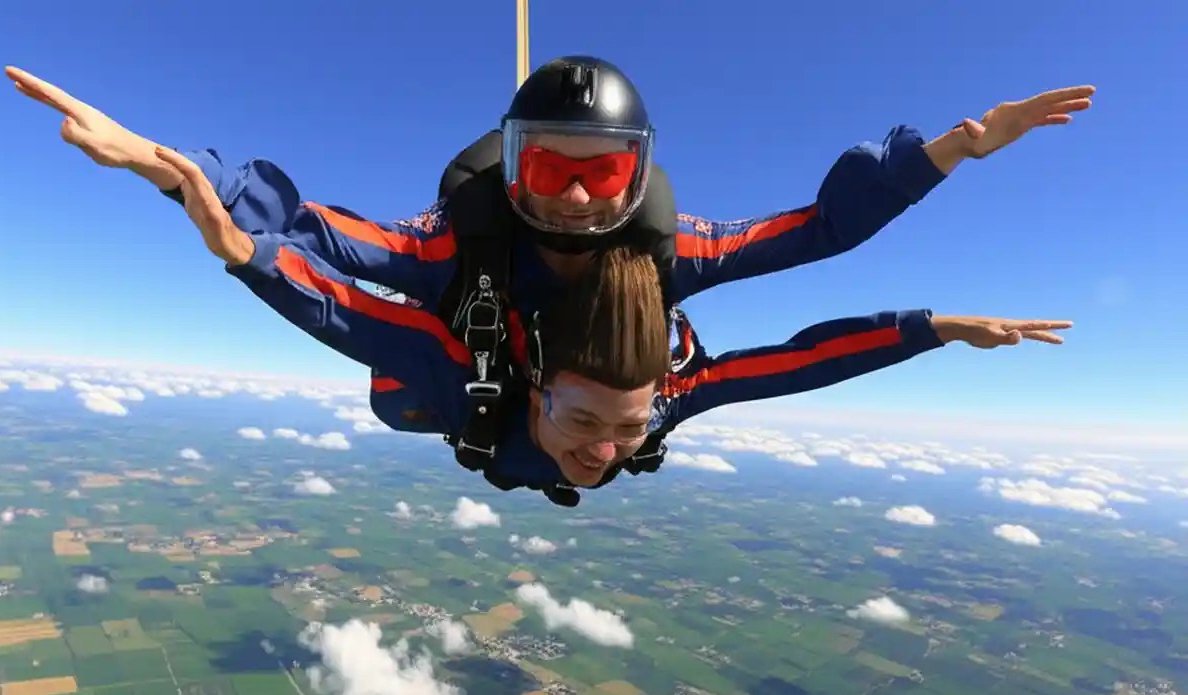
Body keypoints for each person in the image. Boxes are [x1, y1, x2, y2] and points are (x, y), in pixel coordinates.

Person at [4, 62, 1094, 483]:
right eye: (548, 172)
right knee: (420, 368)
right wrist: (172, 175)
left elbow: (809, 288)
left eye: (602, 173)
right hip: (458, 380)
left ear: (637, 174)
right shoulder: (460, 289)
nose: (575, 199)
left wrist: (947, 165)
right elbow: (330, 265)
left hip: (522, 374)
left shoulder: (660, 363)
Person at [154, 142, 1072, 507]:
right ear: (539, 390)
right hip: (456, 389)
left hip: (517, 399)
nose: (604, 451)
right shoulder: (461, 366)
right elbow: (344, 297)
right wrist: (211, 211)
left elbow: (801, 357)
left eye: (627, 428)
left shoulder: (668, 393)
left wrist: (932, 318)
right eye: (590, 425)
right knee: (402, 381)